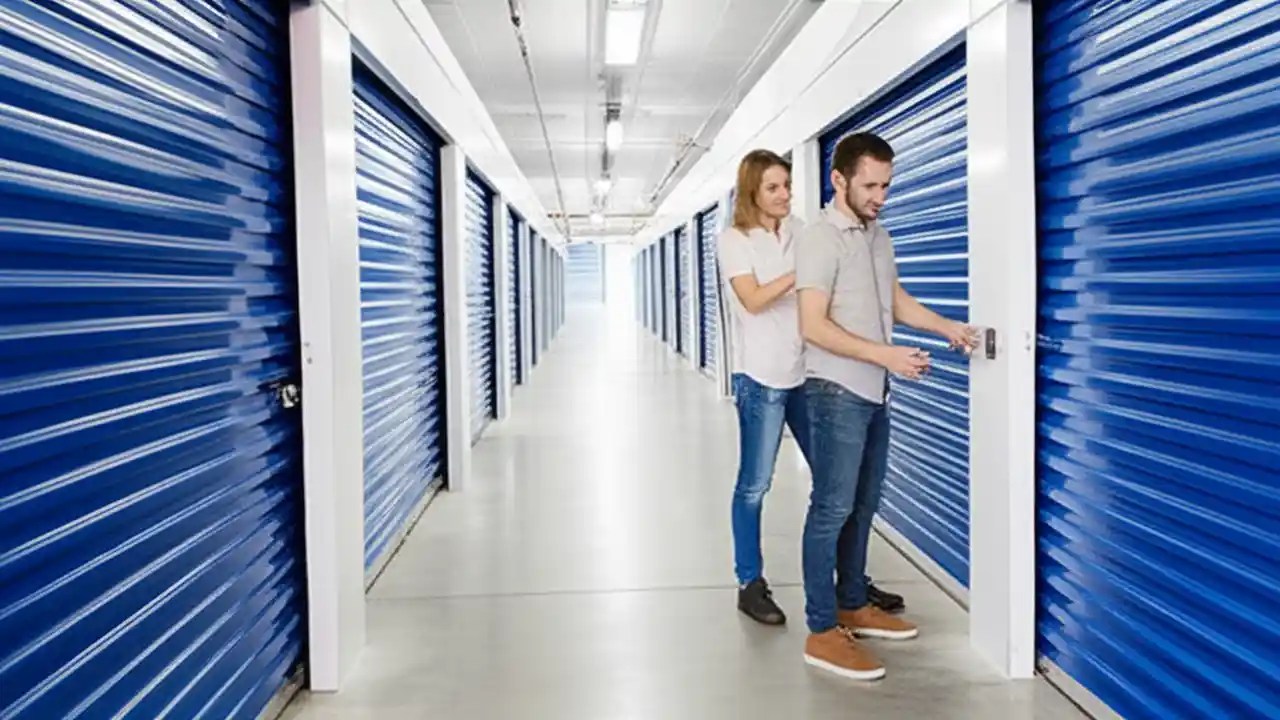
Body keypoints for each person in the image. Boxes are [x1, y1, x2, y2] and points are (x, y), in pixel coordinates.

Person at [794, 132, 977, 680]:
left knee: (864, 504)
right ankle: (822, 630)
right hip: (835, 391)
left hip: (875, 390)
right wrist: (885, 354)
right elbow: (812, 325)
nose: (881, 195)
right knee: (830, 508)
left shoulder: (879, 236)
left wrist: (948, 326)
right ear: (839, 180)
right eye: (871, 185)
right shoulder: (820, 240)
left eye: (887, 185)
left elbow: (893, 302)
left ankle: (853, 601)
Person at [717, 149, 808, 626]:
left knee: (837, 480)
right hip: (761, 376)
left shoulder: (800, 232)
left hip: (808, 371)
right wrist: (801, 272)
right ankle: (749, 583)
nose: (785, 195)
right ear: (753, 190)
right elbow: (751, 300)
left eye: (787, 186)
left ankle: (848, 580)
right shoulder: (734, 240)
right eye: (773, 187)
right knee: (755, 484)